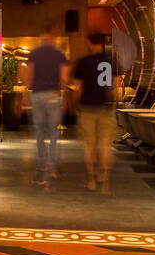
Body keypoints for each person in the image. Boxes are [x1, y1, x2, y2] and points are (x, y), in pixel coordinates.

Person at [73, 32, 123, 192]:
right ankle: (104, 174)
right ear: (102, 43)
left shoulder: (83, 62)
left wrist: (75, 105)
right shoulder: (111, 61)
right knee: (105, 144)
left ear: (89, 42)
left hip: (87, 106)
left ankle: (92, 179)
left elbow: (77, 88)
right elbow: (116, 86)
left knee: (90, 144)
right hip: (106, 107)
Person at [24, 23, 68, 185]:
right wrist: (58, 89)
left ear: (42, 36)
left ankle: (42, 165)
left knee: (40, 133)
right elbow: (64, 79)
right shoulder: (59, 55)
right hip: (53, 96)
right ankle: (53, 168)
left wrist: (25, 93)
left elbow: (29, 76)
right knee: (54, 133)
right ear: (53, 36)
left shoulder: (34, 54)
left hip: (37, 96)